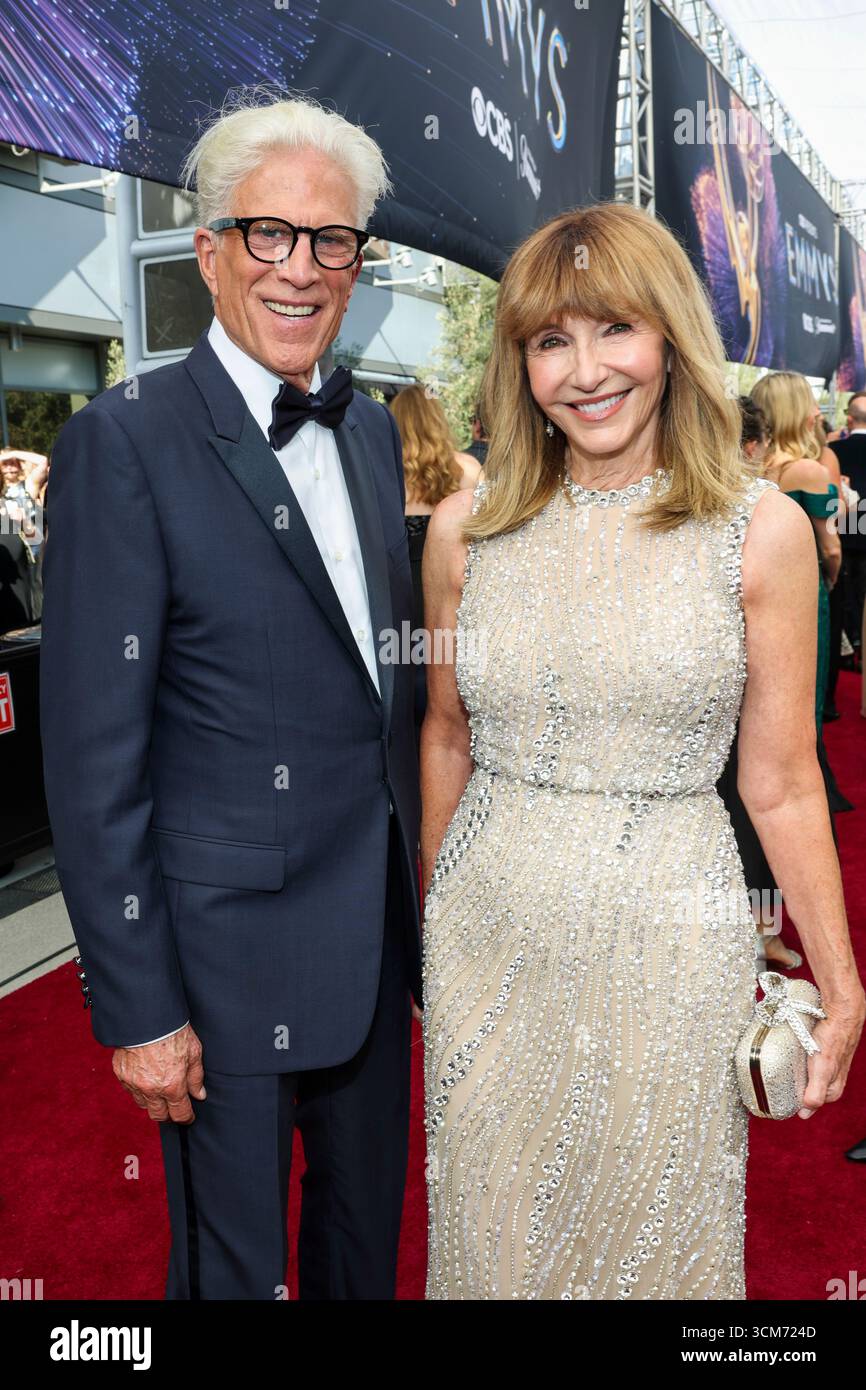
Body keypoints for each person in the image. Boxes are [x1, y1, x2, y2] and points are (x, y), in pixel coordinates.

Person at [419, 202, 864, 1300]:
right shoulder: (462, 535)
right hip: (490, 933)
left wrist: (842, 985)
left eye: (612, 329)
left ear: (668, 338)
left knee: (655, 1238)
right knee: (495, 1235)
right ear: (517, 361)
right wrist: (431, 924)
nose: (582, 371)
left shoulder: (756, 531)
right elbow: (445, 732)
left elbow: (780, 778)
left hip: (671, 931)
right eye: (547, 341)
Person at [39, 90, 422, 1301]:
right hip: (219, 974)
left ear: (357, 263)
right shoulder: (124, 443)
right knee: (234, 1277)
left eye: (331, 241)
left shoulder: (365, 433)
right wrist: (137, 1008)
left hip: (372, 951)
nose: (300, 269)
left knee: (365, 1255)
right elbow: (93, 761)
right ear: (207, 253)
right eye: (269, 234)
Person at [715, 399, 802, 970]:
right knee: (746, 814)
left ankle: (761, 932)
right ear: (752, 447)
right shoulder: (765, 513)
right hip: (722, 698)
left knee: (754, 809)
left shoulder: (769, 515)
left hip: (749, 691)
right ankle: (756, 933)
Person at [751, 372, 852, 819]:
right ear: (799, 412)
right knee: (800, 699)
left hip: (751, 592)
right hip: (801, 592)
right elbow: (830, 545)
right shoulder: (808, 471)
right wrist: (830, 578)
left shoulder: (749, 466)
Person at [390, 384, 480, 741]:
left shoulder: (378, 471)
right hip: (448, 595)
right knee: (449, 700)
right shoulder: (467, 470)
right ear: (437, 421)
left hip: (397, 596)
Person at [829, 391, 866, 674]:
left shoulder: (834, 453)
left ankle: (846, 646)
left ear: (849, 418)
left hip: (841, 529)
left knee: (844, 595)